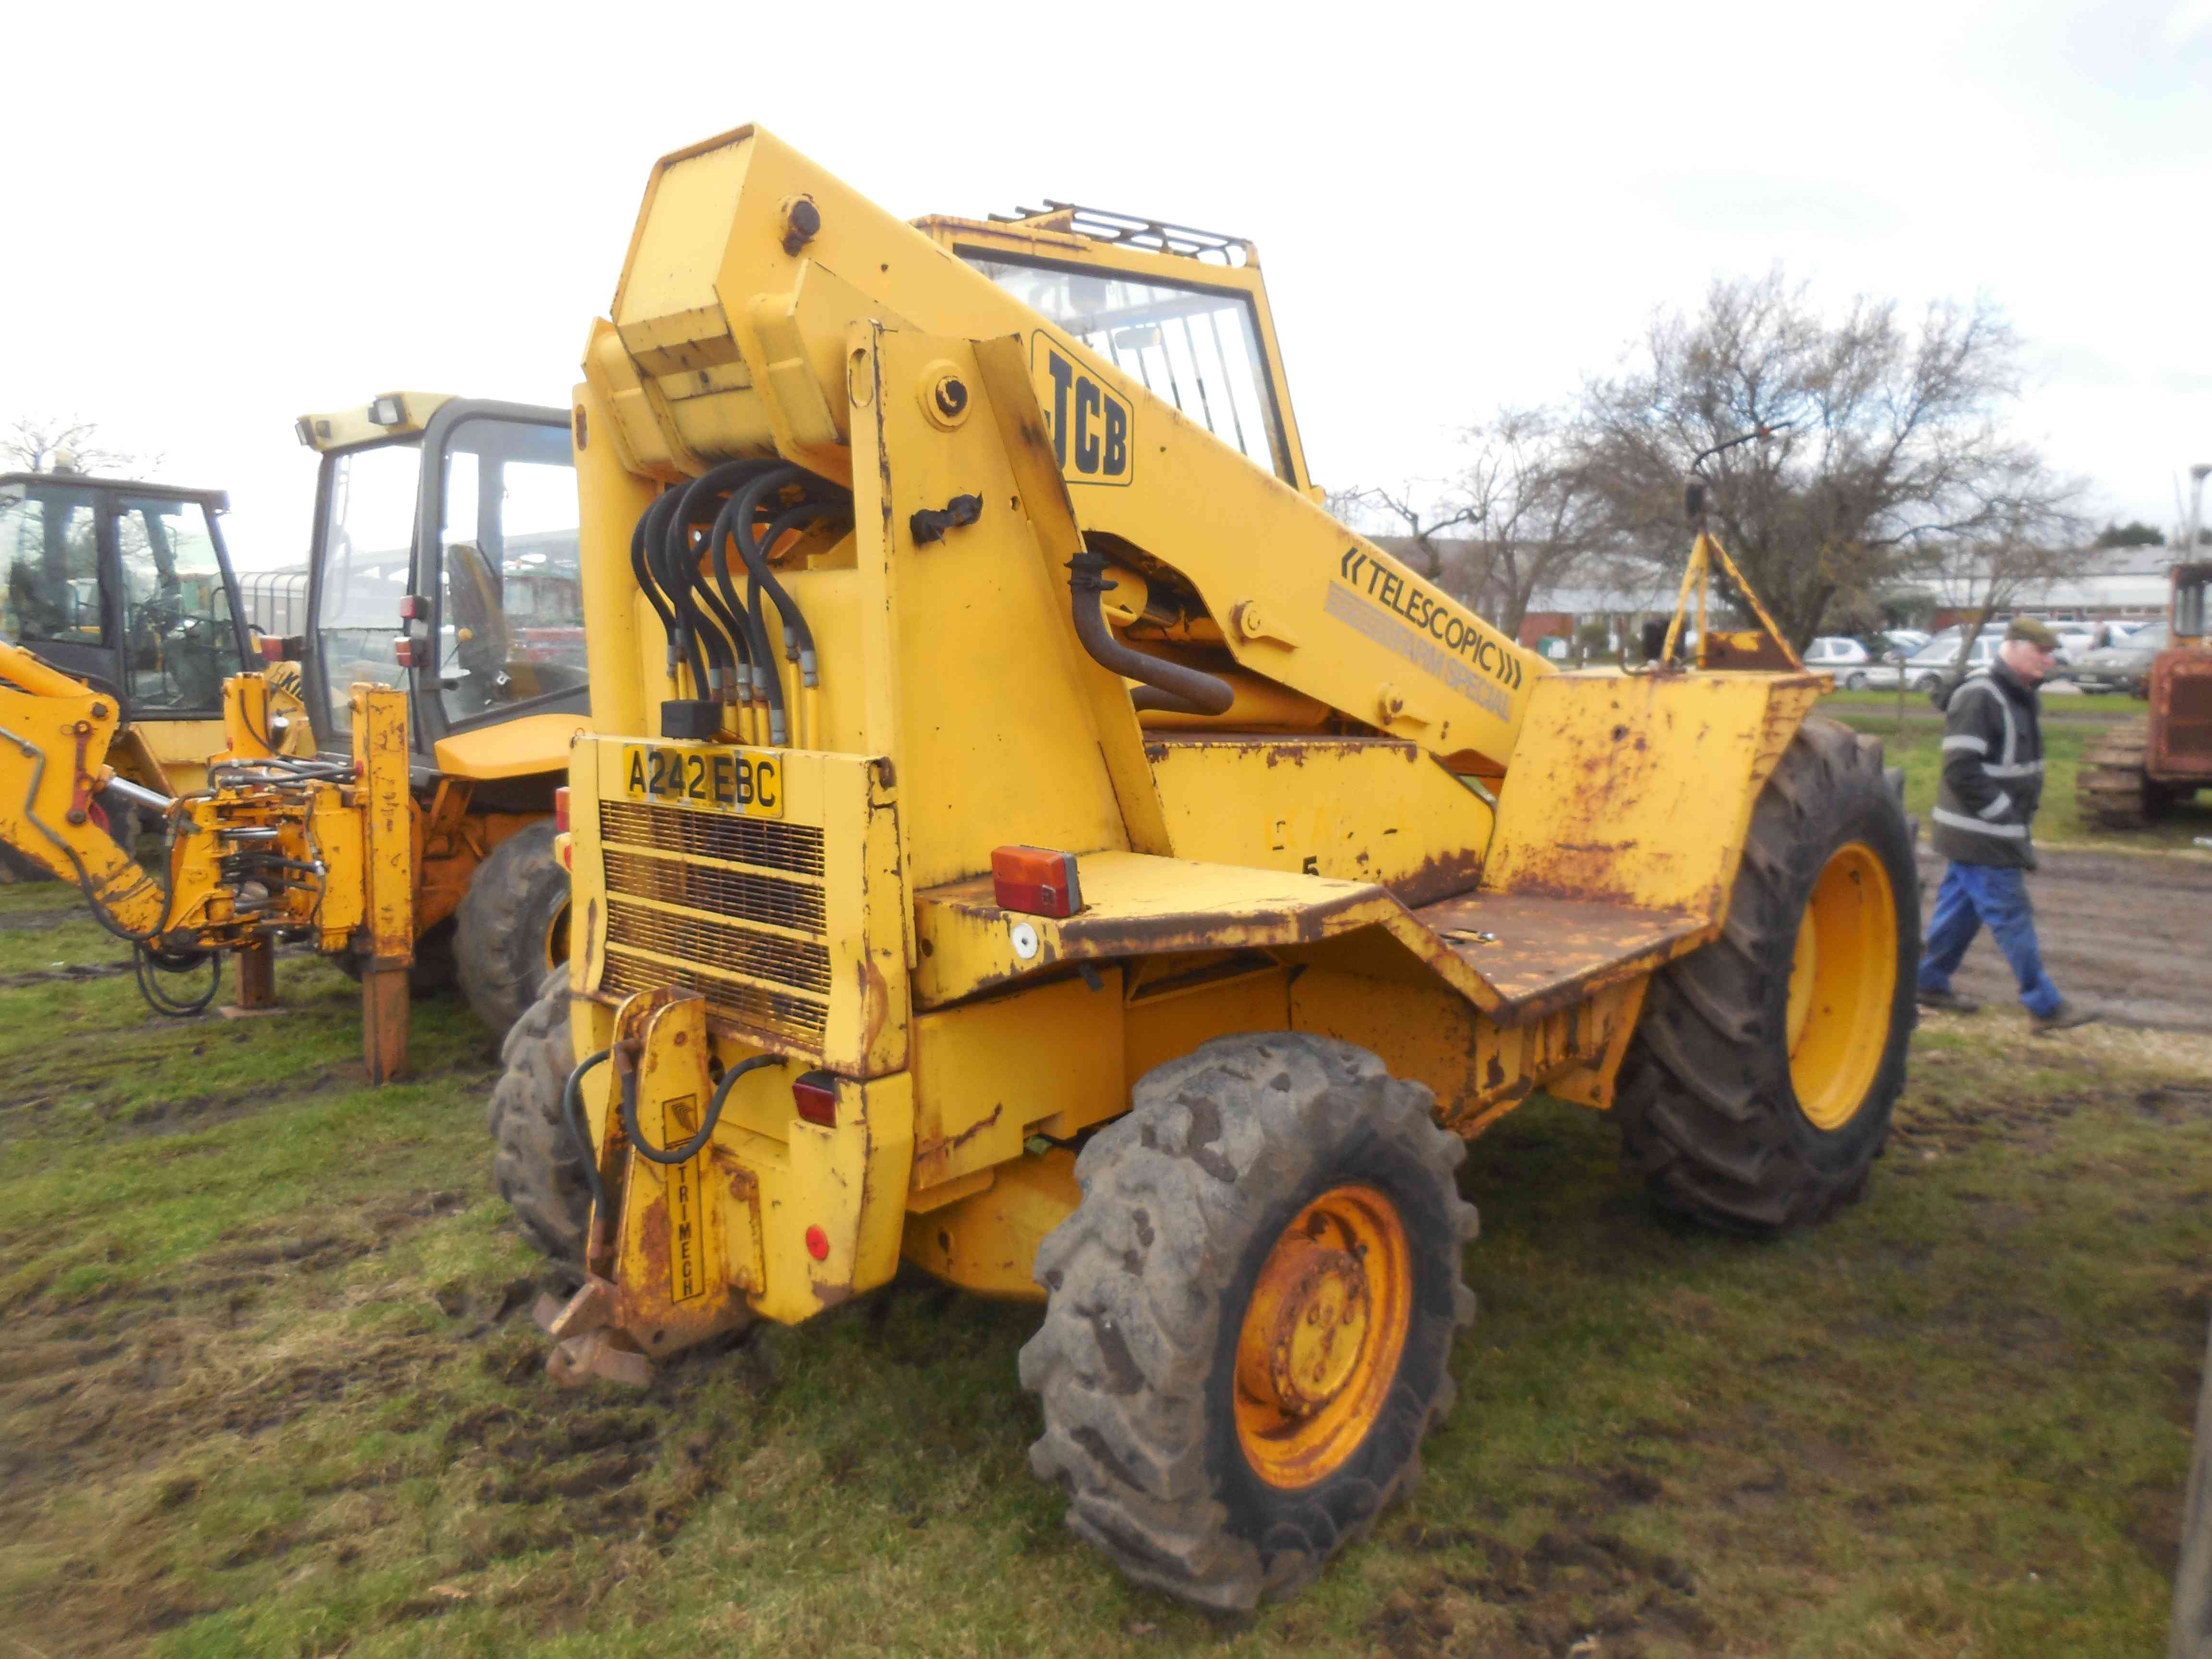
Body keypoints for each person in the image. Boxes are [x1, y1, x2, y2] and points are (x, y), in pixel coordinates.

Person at [1915, 617, 2096, 1031]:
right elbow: (1961, 768)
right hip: (1984, 833)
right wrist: (2003, 815)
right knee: (2011, 914)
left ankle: (1927, 982)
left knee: (1960, 909)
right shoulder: (1982, 696)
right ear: (2012, 646)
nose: (2050, 661)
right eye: (2041, 652)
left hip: (1982, 831)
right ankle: (2044, 1006)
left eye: (2052, 653)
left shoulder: (2019, 693)